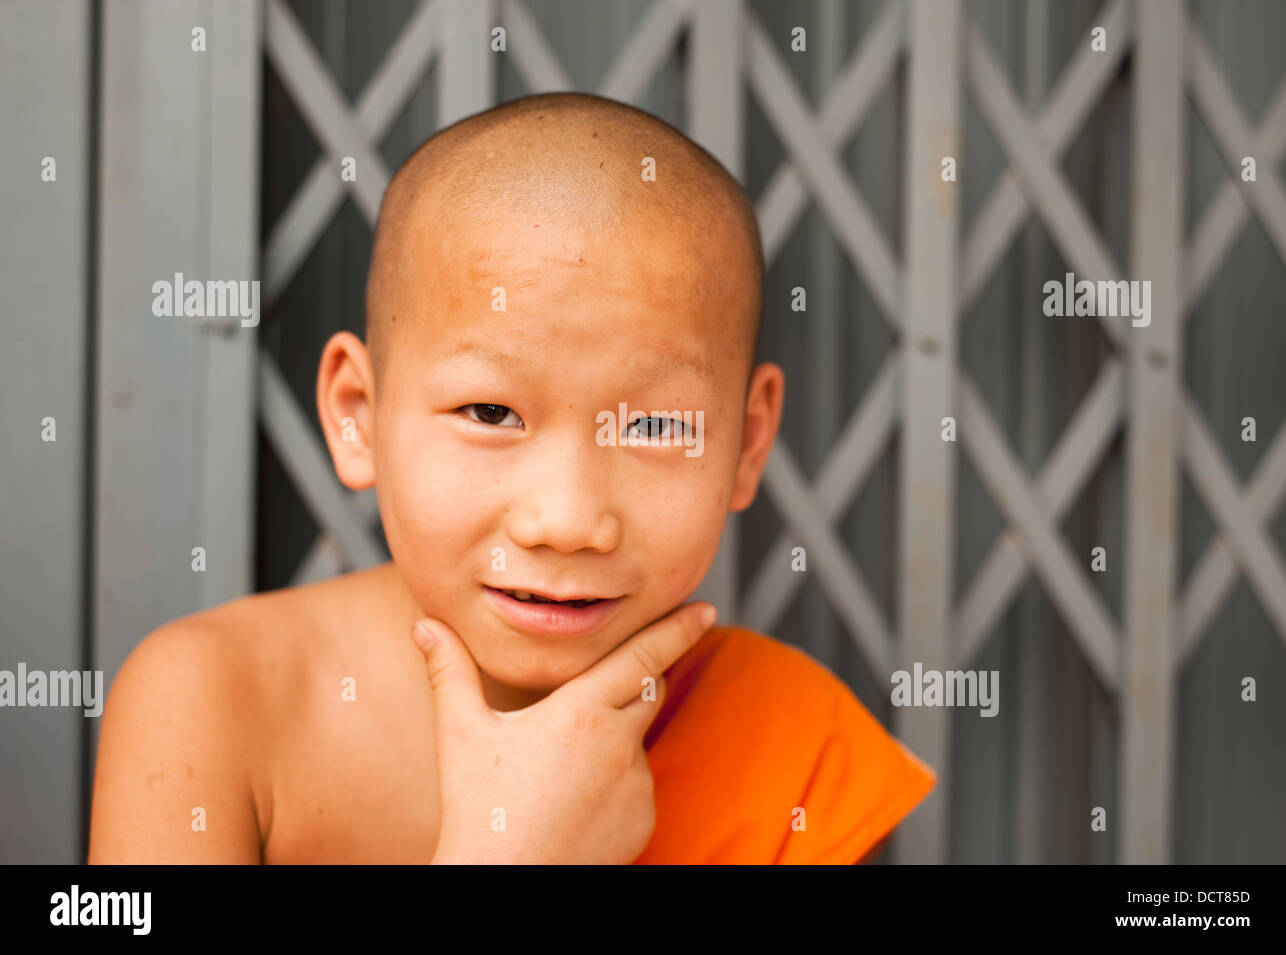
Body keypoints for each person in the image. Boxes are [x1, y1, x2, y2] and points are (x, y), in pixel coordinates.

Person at [88, 91, 934, 864]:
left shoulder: (783, 744)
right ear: (356, 414)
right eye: (490, 413)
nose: (565, 519)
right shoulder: (213, 705)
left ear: (748, 443)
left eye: (654, 425)